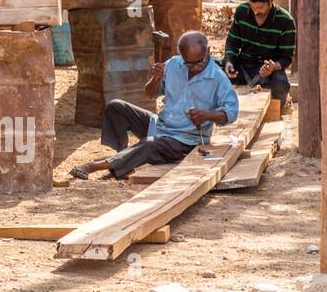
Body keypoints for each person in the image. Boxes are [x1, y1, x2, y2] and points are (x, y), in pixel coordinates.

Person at [70, 31, 238, 181]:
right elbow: (150, 93)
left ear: (208, 52)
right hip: (160, 125)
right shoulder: (174, 64)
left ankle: (94, 166)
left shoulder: (218, 78)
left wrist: (207, 115)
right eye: (188, 63)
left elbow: (231, 112)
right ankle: (122, 158)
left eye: (198, 63)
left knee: (149, 144)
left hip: (185, 140)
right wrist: (155, 80)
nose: (193, 68)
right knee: (115, 107)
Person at [224, 0, 296, 102]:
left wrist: (273, 67)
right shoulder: (242, 11)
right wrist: (229, 62)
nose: (255, 11)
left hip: (268, 71)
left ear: (271, 1)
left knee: (280, 85)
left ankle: (279, 108)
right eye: (252, 6)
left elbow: (286, 58)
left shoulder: (286, 21)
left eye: (260, 7)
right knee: (215, 73)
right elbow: (232, 42)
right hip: (243, 65)